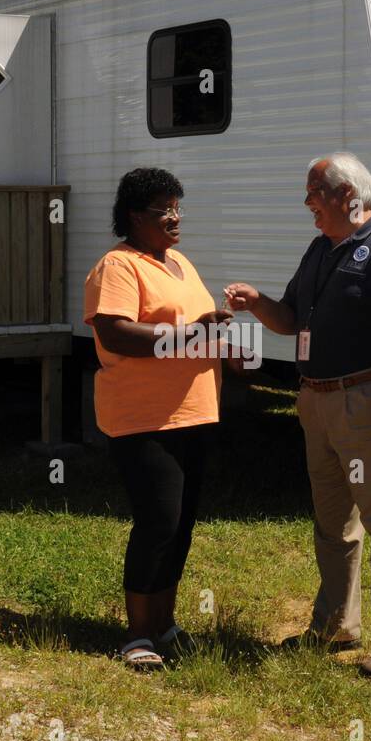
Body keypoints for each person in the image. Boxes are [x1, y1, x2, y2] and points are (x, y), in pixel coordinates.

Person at [224, 152, 371, 679]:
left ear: (348, 196)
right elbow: (293, 318)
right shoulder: (321, 249)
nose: (307, 202)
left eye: (315, 191)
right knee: (333, 520)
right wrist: (257, 302)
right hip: (318, 401)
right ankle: (336, 624)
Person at [83, 167, 233, 671]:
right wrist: (193, 334)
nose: (175, 217)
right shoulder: (118, 266)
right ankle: (136, 634)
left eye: (177, 207)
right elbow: (117, 334)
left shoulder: (179, 263)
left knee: (183, 523)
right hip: (144, 418)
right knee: (158, 521)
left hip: (194, 412)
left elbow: (192, 326)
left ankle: (164, 624)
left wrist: (225, 347)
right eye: (162, 210)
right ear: (133, 217)